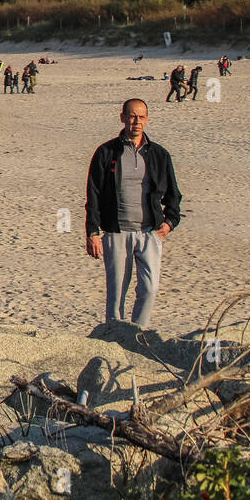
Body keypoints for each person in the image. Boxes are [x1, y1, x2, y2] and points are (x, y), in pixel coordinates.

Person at [85, 98, 181, 328]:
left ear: (147, 120)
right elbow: (94, 194)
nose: (136, 121)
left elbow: (173, 194)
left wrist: (168, 224)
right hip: (117, 233)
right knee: (116, 293)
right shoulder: (106, 152)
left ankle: (139, 335)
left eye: (141, 116)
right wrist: (92, 232)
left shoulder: (159, 154)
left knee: (149, 289)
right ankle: (113, 338)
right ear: (122, 117)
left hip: (150, 233)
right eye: (132, 115)